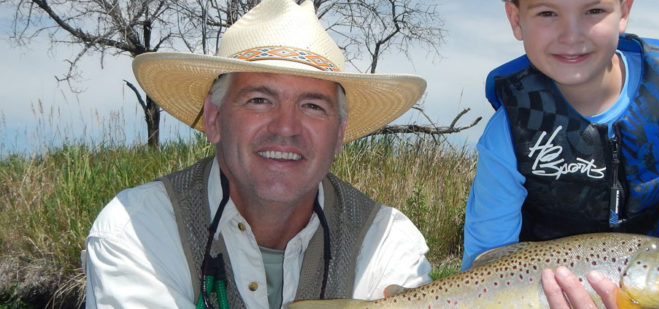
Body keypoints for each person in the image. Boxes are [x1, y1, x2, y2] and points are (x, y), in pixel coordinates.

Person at [82, 1, 432, 308]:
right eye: (259, 100)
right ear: (215, 119)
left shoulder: (385, 240)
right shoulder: (138, 231)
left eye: (312, 105)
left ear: (338, 135)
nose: (285, 127)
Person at [464, 0, 659, 306]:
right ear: (516, 19)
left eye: (593, 11)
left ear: (623, 12)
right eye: (547, 13)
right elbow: (486, 260)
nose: (571, 36)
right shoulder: (508, 129)